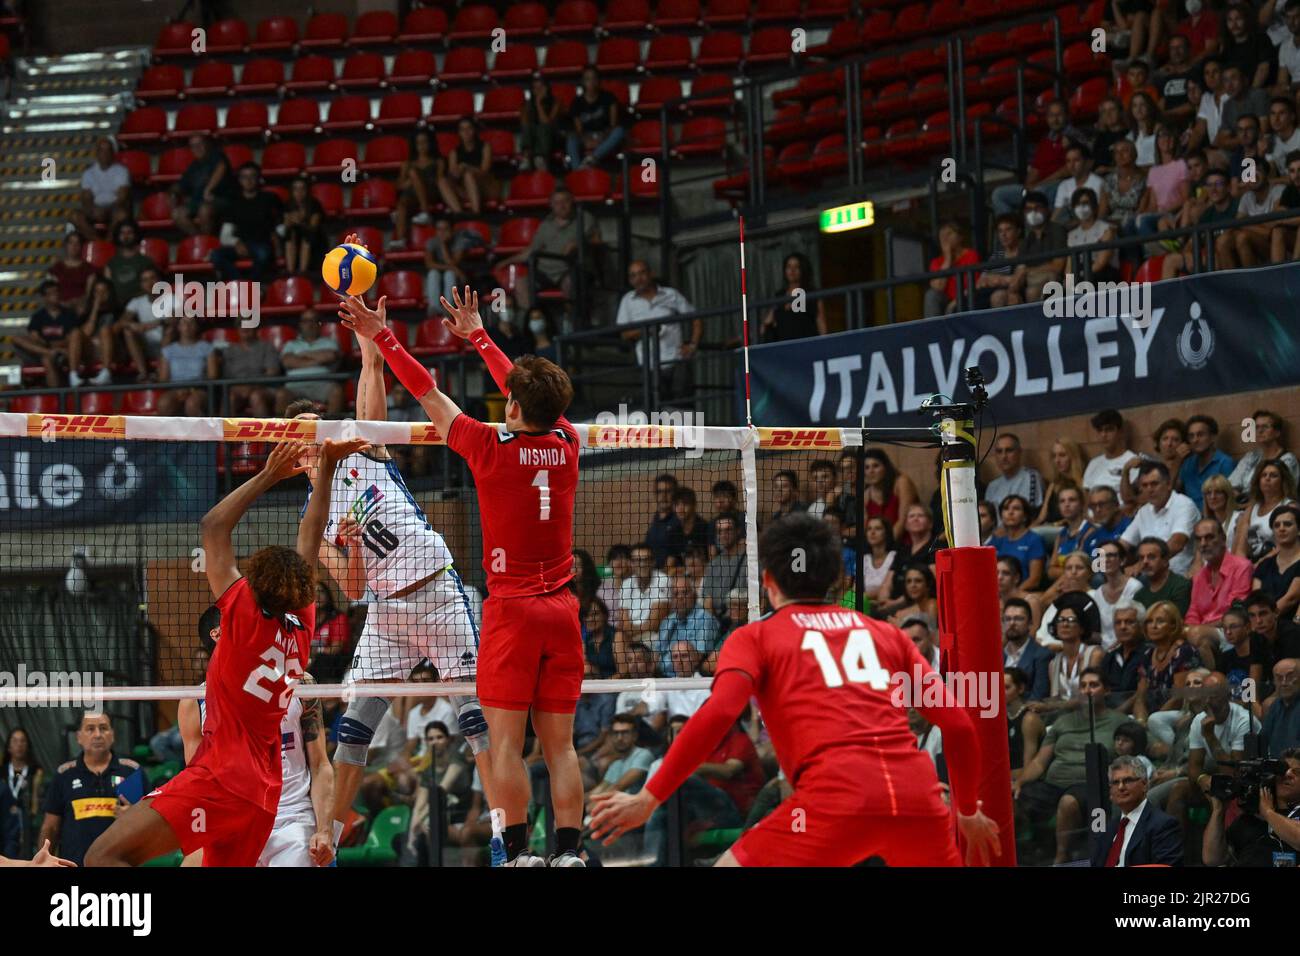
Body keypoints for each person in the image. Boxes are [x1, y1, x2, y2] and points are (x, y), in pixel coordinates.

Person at [589, 513, 1000, 866]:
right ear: (833, 579)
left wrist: (649, 797)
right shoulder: (887, 634)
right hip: (919, 802)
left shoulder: (754, 637)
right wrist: (965, 811)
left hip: (833, 802)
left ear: (767, 580)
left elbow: (718, 714)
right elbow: (960, 726)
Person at [340, 283, 586, 868]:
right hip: (563, 611)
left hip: (514, 613)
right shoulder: (570, 441)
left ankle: (523, 854)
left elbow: (426, 391)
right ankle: (571, 855)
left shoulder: (487, 447)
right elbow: (527, 395)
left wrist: (383, 337)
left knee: (504, 745)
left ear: (513, 408)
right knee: (562, 749)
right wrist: (477, 335)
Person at [84, 437, 357, 866]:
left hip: (222, 780)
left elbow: (213, 525)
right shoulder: (302, 626)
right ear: (300, 592)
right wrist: (325, 470)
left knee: (102, 856)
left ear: (253, 585)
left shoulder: (244, 615)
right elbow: (311, 534)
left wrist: (268, 475)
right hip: (262, 798)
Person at [287, 293, 492, 860]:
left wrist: (365, 330)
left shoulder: (363, 449)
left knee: (476, 719)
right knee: (354, 728)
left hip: (436, 592)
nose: (316, 438)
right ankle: (326, 835)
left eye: (318, 428)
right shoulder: (314, 516)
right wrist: (349, 550)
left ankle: (505, 835)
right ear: (295, 453)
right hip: (384, 615)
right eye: (305, 436)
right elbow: (350, 589)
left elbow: (371, 368)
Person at [177, 607, 336, 866]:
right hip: (233, 822)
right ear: (217, 635)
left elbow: (319, 765)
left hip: (291, 820)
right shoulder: (194, 702)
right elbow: (199, 783)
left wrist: (325, 829)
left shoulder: (299, 683)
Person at [1014, 669, 1129, 864]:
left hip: (1091, 785)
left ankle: (1061, 859)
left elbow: (1141, 746)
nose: (1087, 690)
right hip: (1053, 784)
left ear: (1107, 690)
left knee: (1068, 802)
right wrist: (1019, 782)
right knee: (1014, 797)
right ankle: (1021, 855)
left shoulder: (1119, 721)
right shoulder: (1063, 722)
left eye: (1093, 685)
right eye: (1083, 686)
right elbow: (1039, 762)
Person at [36, 713, 144, 867]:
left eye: (103, 728)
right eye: (90, 729)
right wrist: (41, 861)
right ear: (79, 737)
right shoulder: (64, 774)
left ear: (112, 734)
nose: (98, 735)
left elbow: (150, 822)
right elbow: (50, 826)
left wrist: (135, 817)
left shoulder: (131, 771)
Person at [615, 259, 699, 406]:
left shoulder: (671, 294)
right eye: (633, 275)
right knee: (656, 412)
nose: (638, 279)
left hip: (676, 359)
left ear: (651, 273)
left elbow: (696, 319)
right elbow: (624, 334)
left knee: (683, 410)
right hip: (649, 365)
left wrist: (692, 345)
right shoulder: (627, 301)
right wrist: (647, 332)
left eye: (641, 273)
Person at [1200, 745, 1300, 866]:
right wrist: (1218, 810)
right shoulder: (1252, 817)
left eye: (1297, 772)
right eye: (1282, 770)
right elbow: (1212, 859)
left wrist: (1268, 812)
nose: (1288, 774)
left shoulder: (1269, 812)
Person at [498, 186, 588, 309]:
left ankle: (572, 322)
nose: (562, 206)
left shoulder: (584, 218)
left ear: (572, 201)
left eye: (565, 201)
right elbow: (531, 251)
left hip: (568, 270)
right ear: (551, 205)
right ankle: (531, 319)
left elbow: (596, 240)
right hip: (544, 271)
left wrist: (578, 243)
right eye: (557, 202)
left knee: (571, 283)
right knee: (520, 283)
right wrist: (505, 262)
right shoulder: (546, 225)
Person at [1090, 755, 1184, 866]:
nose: (1120, 787)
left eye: (1127, 780)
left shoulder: (1164, 825)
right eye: (1115, 782)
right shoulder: (1109, 829)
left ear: (1144, 785)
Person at [1183, 518, 1254, 662]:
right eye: (1199, 539)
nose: (1203, 544)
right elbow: (1193, 612)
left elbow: (1235, 611)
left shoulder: (1242, 567)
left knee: (1196, 634)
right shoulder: (1199, 576)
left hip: (1231, 629)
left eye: (1209, 537)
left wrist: (1197, 629)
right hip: (1203, 633)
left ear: (1223, 538)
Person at [1121, 461, 1201, 576]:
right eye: (1144, 485)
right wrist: (1100, 565)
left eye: (1154, 484)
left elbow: (1177, 543)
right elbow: (1123, 543)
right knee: (1100, 578)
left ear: (1168, 484)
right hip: (1149, 575)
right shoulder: (1144, 512)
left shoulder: (1184, 505)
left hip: (1177, 575)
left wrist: (1140, 565)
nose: (1149, 489)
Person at [210, 162, 281, 282]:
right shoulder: (234, 202)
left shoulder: (269, 199)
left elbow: (280, 223)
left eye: (252, 176)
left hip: (262, 243)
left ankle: (253, 284)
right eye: (244, 177)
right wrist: (236, 242)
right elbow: (226, 232)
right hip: (240, 244)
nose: (248, 180)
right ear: (239, 180)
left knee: (264, 254)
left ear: (258, 179)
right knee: (216, 255)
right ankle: (239, 282)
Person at [1133, 600, 1202, 723]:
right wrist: (1141, 721)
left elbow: (1179, 697)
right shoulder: (1147, 655)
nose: (1153, 626)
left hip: (1182, 714)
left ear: (1173, 626)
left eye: (1160, 621)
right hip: (1153, 716)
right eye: (1149, 621)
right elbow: (1140, 697)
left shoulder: (1184, 652)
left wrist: (1152, 721)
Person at [14, 279, 86, 388]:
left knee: (47, 357)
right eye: (51, 293)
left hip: (65, 353)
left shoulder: (69, 314)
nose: (55, 295)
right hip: (46, 352)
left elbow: (72, 339)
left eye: (57, 292)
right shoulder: (38, 317)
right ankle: (56, 396)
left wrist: (52, 345)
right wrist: (51, 350)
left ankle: (58, 394)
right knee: (17, 339)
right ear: (44, 297)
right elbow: (35, 339)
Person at [277, 308, 344, 416]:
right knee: (281, 394)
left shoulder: (329, 342)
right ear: (300, 324)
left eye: (313, 320)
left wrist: (301, 355)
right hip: (295, 384)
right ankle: (283, 430)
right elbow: (287, 362)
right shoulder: (291, 344)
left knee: (336, 391)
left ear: (319, 324)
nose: (310, 324)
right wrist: (318, 359)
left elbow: (330, 356)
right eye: (306, 321)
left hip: (323, 383)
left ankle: (330, 428)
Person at [1232, 460, 1296, 562]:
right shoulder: (1251, 509)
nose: (1267, 478)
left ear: (1283, 481)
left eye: (1273, 475)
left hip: (1278, 563)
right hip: (1250, 565)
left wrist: (1259, 565)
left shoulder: (1289, 506)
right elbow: (1240, 548)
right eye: (1263, 475)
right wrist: (1245, 568)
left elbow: (1286, 547)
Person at [210, 323, 280, 418]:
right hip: (236, 389)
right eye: (241, 324)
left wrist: (252, 386)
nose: (245, 327)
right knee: (229, 397)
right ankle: (226, 432)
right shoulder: (229, 351)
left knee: (256, 396)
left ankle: (263, 432)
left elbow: (272, 372)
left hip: (263, 388)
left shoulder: (267, 347)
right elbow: (225, 376)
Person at [171, 134, 234, 237]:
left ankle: (207, 242)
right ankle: (201, 240)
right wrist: (173, 193)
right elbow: (181, 185)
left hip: (220, 199)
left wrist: (209, 189)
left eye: (200, 144)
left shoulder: (215, 156)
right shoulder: (193, 167)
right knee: (177, 214)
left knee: (204, 210)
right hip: (199, 202)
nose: (197, 148)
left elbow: (221, 168)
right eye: (193, 146)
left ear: (207, 144)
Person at [566, 65, 626, 169]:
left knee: (619, 131)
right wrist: (587, 140)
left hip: (605, 134)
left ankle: (591, 159)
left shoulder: (609, 98)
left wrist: (602, 137)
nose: (591, 82)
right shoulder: (577, 102)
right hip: (586, 136)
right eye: (587, 79)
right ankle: (578, 171)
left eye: (594, 78)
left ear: (598, 80)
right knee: (571, 139)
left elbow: (613, 124)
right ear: (583, 82)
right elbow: (579, 130)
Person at [72, 137, 132, 240]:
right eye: (102, 150)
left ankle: (108, 244)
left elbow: (122, 197)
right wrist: (93, 209)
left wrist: (106, 209)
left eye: (108, 150)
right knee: (74, 216)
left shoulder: (122, 171)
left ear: (113, 153)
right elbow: (86, 197)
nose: (105, 153)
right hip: (95, 209)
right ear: (97, 153)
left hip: (114, 208)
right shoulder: (88, 173)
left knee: (122, 215)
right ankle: (98, 243)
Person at [1229, 409, 1300, 496]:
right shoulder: (1251, 457)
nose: (1260, 431)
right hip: (1242, 505)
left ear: (1277, 432)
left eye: (1265, 427)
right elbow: (1231, 485)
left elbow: (1283, 493)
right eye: (1257, 427)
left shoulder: (1287, 460)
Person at [760, 252, 828, 341]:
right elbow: (765, 326)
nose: (792, 270)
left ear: (803, 270)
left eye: (797, 267)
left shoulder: (811, 294)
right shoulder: (780, 295)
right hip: (783, 348)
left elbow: (822, 325)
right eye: (789, 267)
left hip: (806, 345)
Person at [437, 117, 496, 216]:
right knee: (442, 181)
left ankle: (476, 214)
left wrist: (467, 167)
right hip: (465, 190)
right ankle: (459, 214)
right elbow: (452, 174)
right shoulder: (454, 152)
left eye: (469, 128)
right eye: (462, 129)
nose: (466, 132)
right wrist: (456, 172)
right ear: (459, 132)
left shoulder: (485, 147)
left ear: (474, 130)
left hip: (485, 187)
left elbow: (485, 171)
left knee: (468, 175)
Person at [1, 729, 43, 860]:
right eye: (15, 741)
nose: (19, 745)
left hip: (27, 821)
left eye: (22, 741)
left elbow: (36, 802)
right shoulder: (2, 771)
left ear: (27, 745)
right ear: (8, 746)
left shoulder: (36, 772)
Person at [990, 495, 1047, 591]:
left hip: (1022, 594)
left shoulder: (1034, 540)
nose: (1010, 512)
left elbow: (1034, 579)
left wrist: (1012, 594)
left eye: (1016, 508)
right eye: (1006, 508)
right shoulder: (997, 542)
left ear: (1025, 516)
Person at [923, 220, 980, 315]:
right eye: (942, 236)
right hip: (945, 300)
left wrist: (957, 301)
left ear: (960, 237)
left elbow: (973, 284)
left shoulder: (971, 255)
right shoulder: (936, 262)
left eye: (949, 234)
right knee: (931, 295)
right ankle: (932, 329)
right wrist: (948, 259)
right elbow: (938, 287)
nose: (945, 238)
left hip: (966, 298)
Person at [1254, 503, 1300, 615]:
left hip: (1291, 624)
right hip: (1262, 623)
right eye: (1277, 525)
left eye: (1288, 524)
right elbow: (1255, 598)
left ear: (1299, 530)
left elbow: (1290, 599)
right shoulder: (1264, 565)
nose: (1282, 528)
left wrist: (1265, 618)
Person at [1003, 597, 1052, 700]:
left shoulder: (1042, 655)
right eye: (1007, 619)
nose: (1012, 623)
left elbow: (1039, 697)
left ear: (1030, 624)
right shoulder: (995, 656)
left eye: (1019, 619)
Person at [1084, 409, 1141, 494]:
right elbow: (1085, 495)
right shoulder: (1093, 464)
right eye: (1100, 430)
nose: (1103, 435)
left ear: (1120, 432)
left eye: (1109, 430)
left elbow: (1133, 499)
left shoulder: (1132, 461)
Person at [985, 433, 1045, 513]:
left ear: (1019, 452)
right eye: (999, 451)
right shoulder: (992, 486)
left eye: (1009, 450)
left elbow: (1030, 513)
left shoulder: (1030, 477)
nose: (1004, 456)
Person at [1134, 535, 1194, 613]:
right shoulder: (1139, 594)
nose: (1145, 562)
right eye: (1141, 558)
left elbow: (1176, 621)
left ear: (1165, 560)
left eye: (1151, 557)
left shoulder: (1180, 586)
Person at [281, 176, 326, 276]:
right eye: (296, 189)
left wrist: (300, 221)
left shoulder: (314, 204)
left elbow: (313, 227)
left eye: (302, 188)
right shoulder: (288, 205)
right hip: (295, 238)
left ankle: (303, 273)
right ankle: (290, 272)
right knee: (289, 233)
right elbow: (285, 225)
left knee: (307, 236)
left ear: (307, 190)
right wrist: (291, 220)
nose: (299, 192)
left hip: (314, 240)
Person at [1036, 438, 1088, 525]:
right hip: (1049, 528)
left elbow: (1086, 515)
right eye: (1054, 456)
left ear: (1073, 456)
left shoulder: (1084, 482)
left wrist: (1059, 523)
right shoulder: (1054, 484)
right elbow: (1041, 517)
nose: (1057, 460)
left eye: (1062, 455)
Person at [1006, 668, 1046, 779]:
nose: (1000, 692)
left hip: (1025, 781)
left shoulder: (1029, 720)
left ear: (1021, 689)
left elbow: (1028, 766)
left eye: (1007, 687)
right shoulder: (1001, 717)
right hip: (1006, 776)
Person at [46, 232, 97, 313]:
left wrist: (76, 302)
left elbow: (89, 293)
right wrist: (63, 303)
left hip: (81, 307)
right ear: (66, 245)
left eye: (77, 243)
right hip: (61, 306)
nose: (74, 246)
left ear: (81, 246)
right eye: (71, 243)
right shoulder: (57, 268)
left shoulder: (89, 269)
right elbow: (52, 292)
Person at [520, 76, 562, 172]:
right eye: (535, 88)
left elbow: (547, 123)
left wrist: (539, 103)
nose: (538, 91)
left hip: (552, 138)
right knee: (528, 127)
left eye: (541, 88)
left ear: (547, 88)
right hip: (533, 140)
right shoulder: (527, 104)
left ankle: (540, 158)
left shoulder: (556, 102)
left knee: (543, 127)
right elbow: (524, 123)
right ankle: (526, 157)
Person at [1262, 659, 1300, 756]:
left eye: (1290, 677)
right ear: (1274, 682)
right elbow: (1263, 740)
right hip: (1276, 767)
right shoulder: (1274, 706)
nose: (1284, 682)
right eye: (1279, 678)